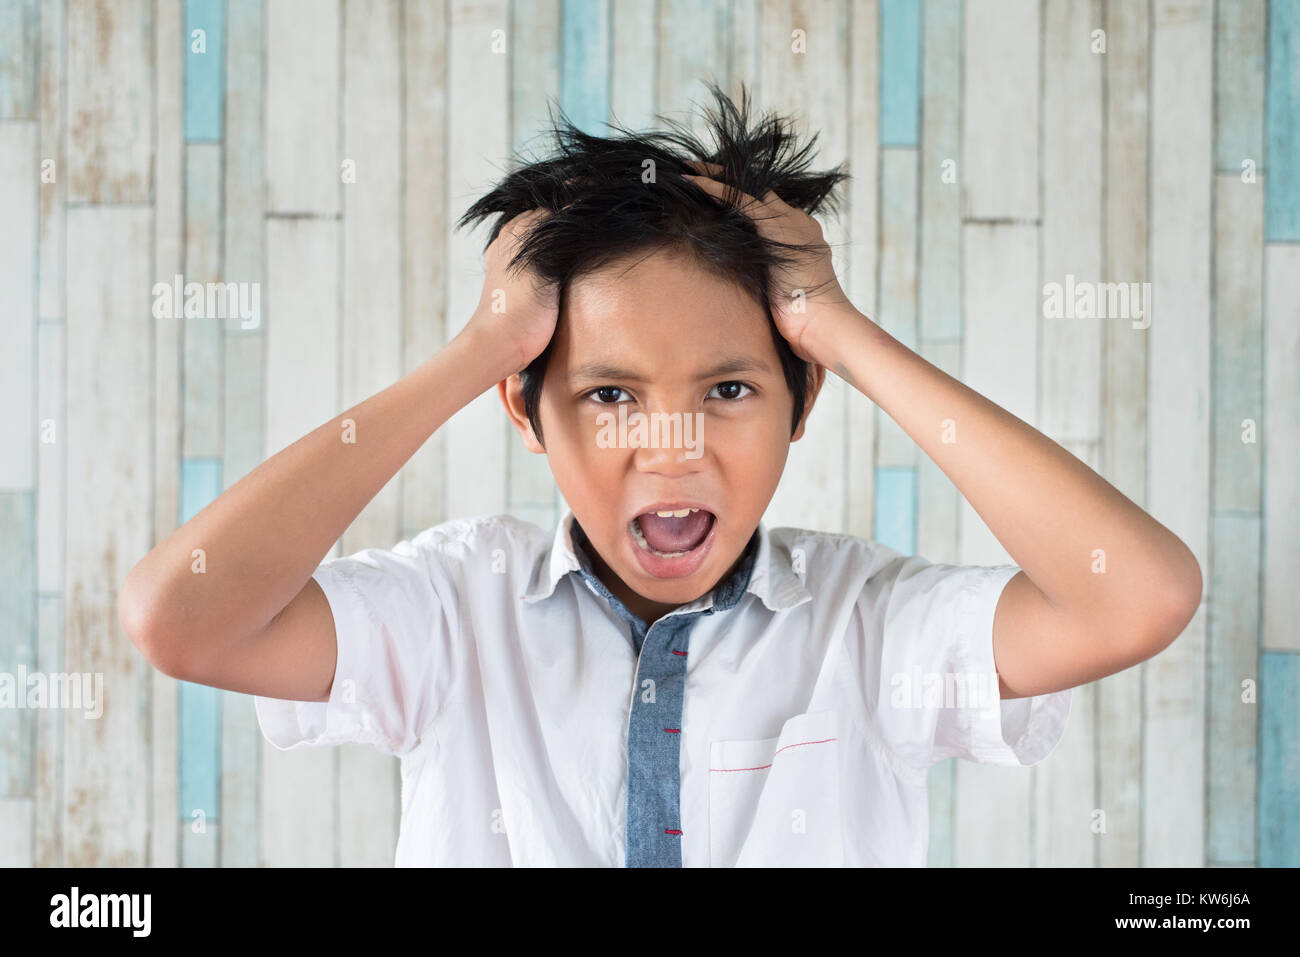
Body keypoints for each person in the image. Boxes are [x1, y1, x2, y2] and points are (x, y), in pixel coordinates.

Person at [118, 82, 1202, 867]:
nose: (672, 446)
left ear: (802, 404)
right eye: (609, 395)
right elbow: (183, 618)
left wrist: (839, 330)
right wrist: (474, 352)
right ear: (524, 408)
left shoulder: (870, 630)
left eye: (729, 391)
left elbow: (1136, 594)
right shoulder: (453, 609)